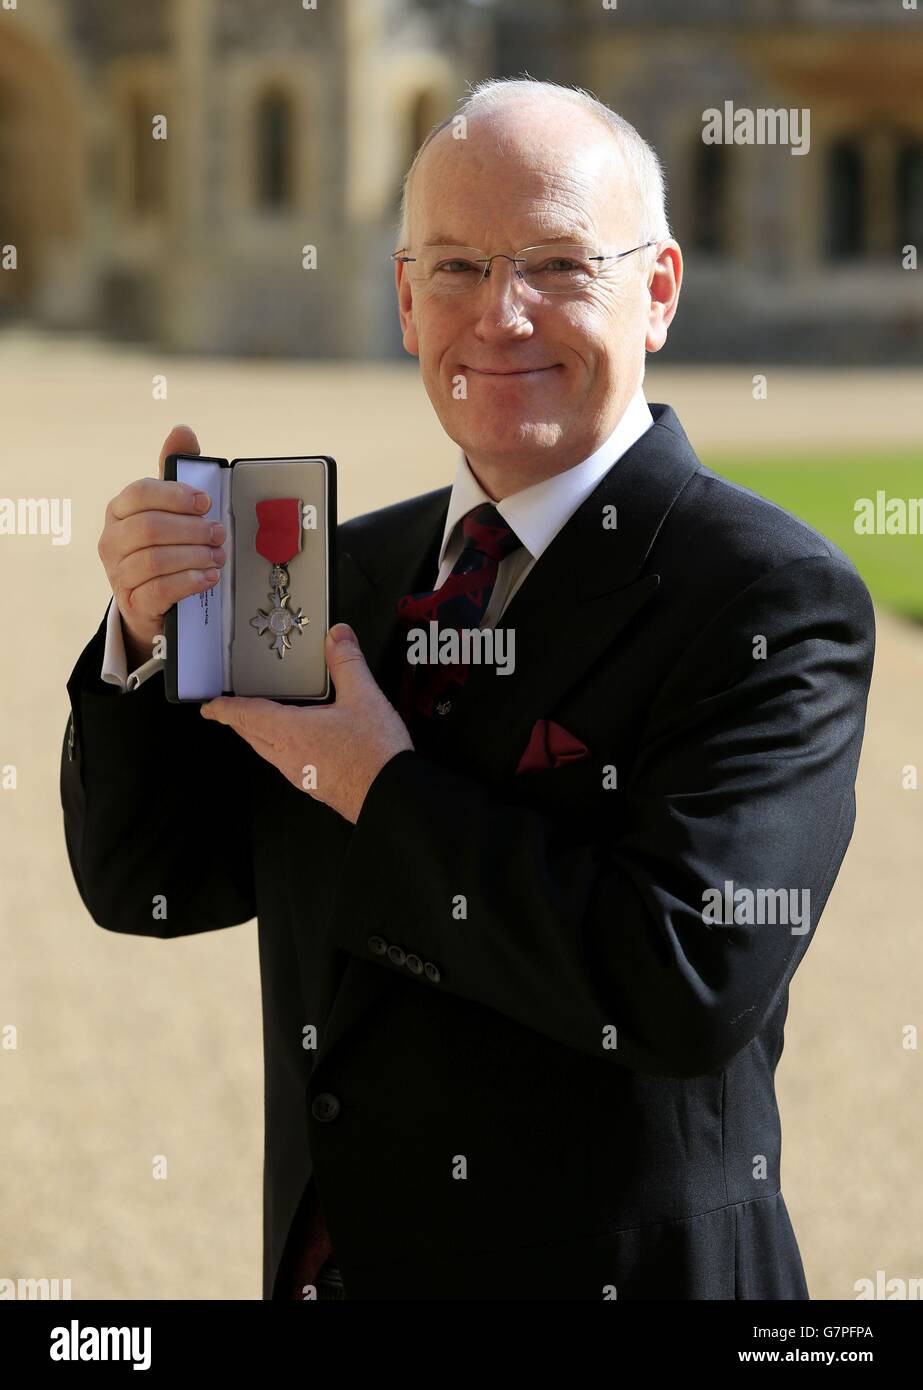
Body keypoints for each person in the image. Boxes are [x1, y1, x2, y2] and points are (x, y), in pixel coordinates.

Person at [60, 77, 875, 1300]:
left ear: (655, 292)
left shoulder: (764, 598)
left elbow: (684, 979)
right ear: (402, 300)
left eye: (555, 262)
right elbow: (153, 884)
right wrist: (137, 641)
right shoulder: (339, 571)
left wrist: (373, 783)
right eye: (453, 268)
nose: (499, 314)